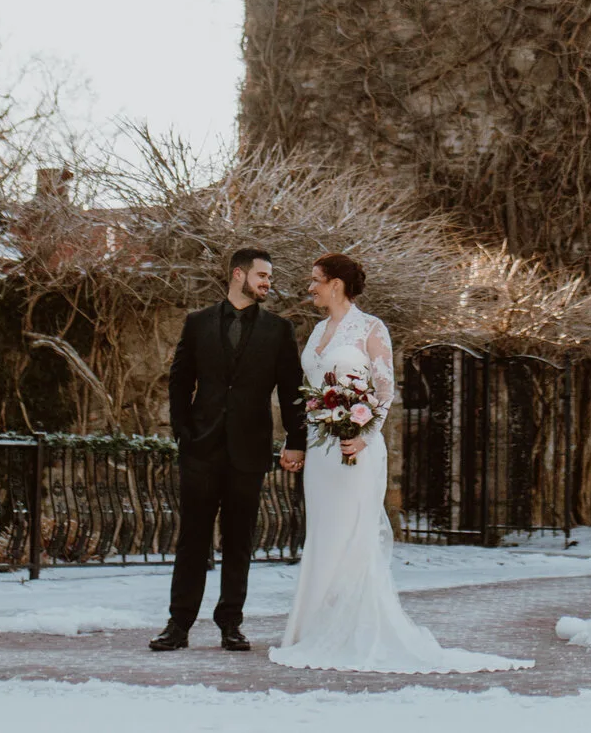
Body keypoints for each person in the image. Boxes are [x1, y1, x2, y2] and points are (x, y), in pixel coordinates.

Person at [269, 252, 531, 673]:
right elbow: (311, 391)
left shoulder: (372, 328)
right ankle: (314, 628)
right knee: (324, 533)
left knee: (353, 535)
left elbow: (384, 391)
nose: (310, 287)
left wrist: (362, 435)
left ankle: (356, 630)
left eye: (315, 280)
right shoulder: (318, 329)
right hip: (322, 451)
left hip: (356, 448)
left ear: (336, 284)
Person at [152, 246, 306, 652]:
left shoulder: (279, 330)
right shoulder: (197, 323)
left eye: (269, 277)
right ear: (238, 275)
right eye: (262, 276)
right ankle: (178, 625)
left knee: (239, 540)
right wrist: (183, 430)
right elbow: (180, 379)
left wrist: (297, 440)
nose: (268, 283)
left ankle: (230, 624)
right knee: (192, 539)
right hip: (201, 449)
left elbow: (292, 390)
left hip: (249, 450)